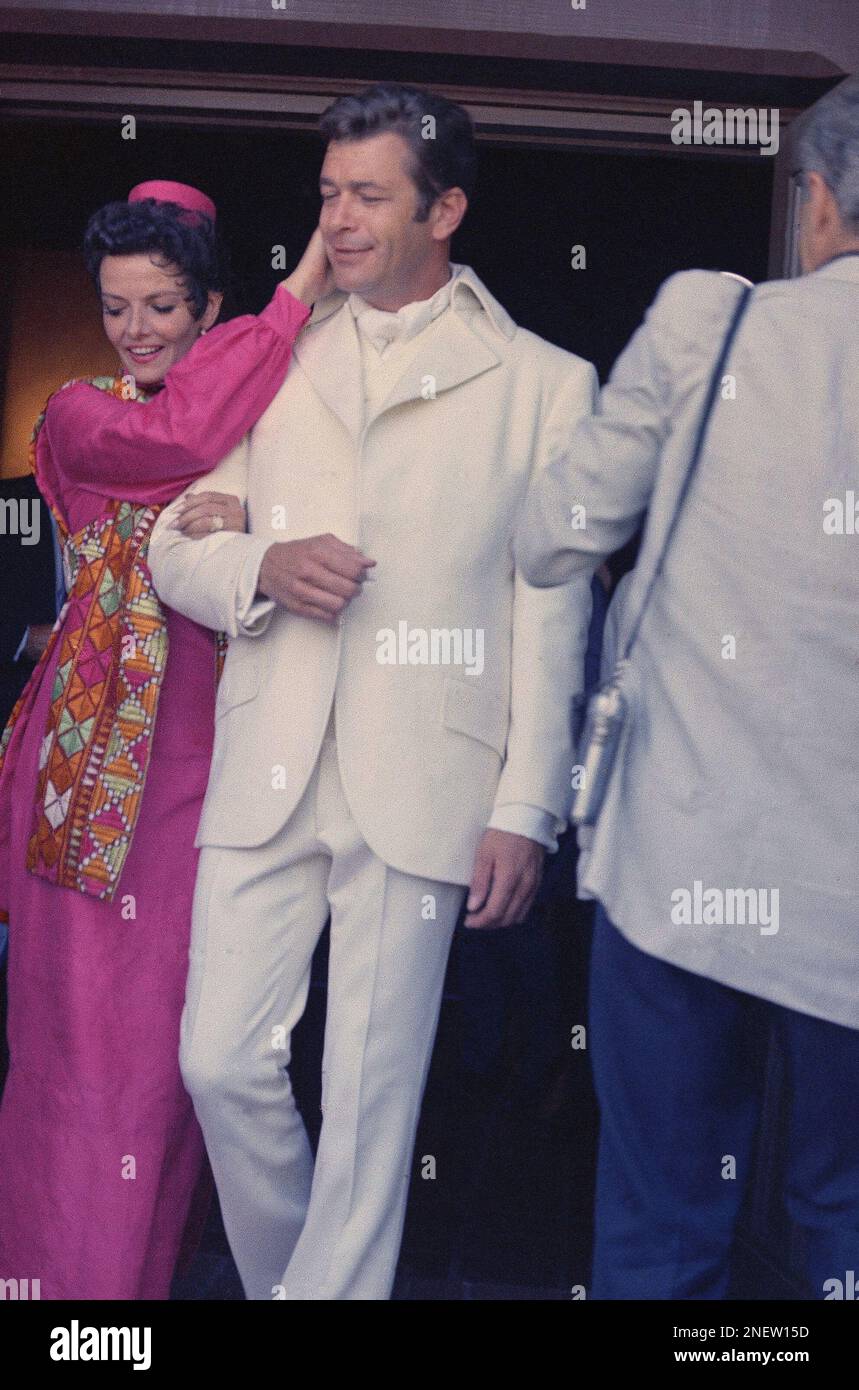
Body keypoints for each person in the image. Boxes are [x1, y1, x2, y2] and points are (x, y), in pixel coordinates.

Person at [147, 82, 597, 1300]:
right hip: (269, 757)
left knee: (370, 1099)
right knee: (219, 1064)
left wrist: (527, 806)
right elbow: (171, 548)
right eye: (328, 194)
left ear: (443, 207)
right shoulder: (265, 362)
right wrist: (263, 563)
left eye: (368, 195)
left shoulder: (544, 383)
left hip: (430, 771)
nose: (336, 221)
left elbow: (553, 611)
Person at [515, 75, 859, 1299]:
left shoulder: (709, 324)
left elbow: (554, 535)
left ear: (815, 201)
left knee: (666, 1220)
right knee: (843, 1226)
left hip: (685, 867)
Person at [0, 179, 329, 1299]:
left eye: (164, 308)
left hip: (205, 771)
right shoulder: (80, 414)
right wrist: (299, 296)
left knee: (167, 1067)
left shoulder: (262, 435)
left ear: (209, 312)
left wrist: (261, 512)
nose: (135, 332)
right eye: (117, 307)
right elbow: (177, 431)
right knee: (74, 1063)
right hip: (86, 781)